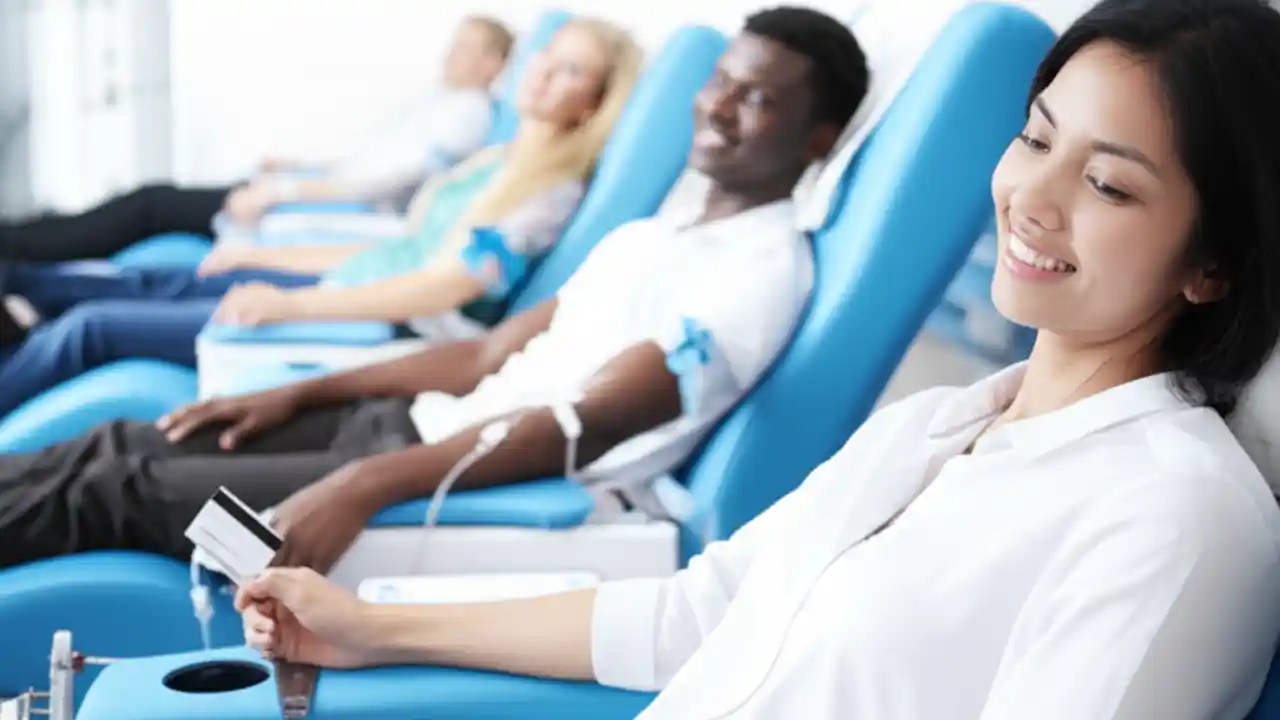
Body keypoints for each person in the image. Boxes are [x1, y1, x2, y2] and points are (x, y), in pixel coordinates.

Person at [235, 1, 1280, 718]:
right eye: (1035, 138)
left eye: (1108, 185)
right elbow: (700, 614)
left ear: (1214, 264)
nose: (1032, 198)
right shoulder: (934, 428)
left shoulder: (1174, 518)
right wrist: (370, 628)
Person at [0, 8, 868, 575]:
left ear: (817, 138)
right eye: (721, 81)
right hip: (415, 432)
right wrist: (300, 391)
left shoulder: (758, 274)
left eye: (755, 100)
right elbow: (490, 353)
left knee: (111, 487)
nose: (718, 106)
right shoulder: (652, 237)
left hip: (474, 490)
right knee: (115, 439)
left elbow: (585, 425)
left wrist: (368, 483)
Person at [0, 18, 643, 417]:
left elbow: (441, 287)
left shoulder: (548, 192)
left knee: (92, 330)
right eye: (548, 57)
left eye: (572, 71)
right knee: (151, 284)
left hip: (374, 328)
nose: (545, 76)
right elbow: (402, 246)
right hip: (351, 292)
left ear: (594, 102)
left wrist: (291, 307)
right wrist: (265, 258)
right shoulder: (499, 161)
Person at [0, 15, 512, 266]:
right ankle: (32, 242)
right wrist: (293, 166)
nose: (451, 54)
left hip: (309, 211)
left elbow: (382, 183)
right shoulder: (442, 103)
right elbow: (363, 162)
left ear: (495, 63)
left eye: (467, 48)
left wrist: (282, 192)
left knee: (149, 207)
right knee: (148, 206)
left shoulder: (466, 115)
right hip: (303, 193)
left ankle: (24, 249)